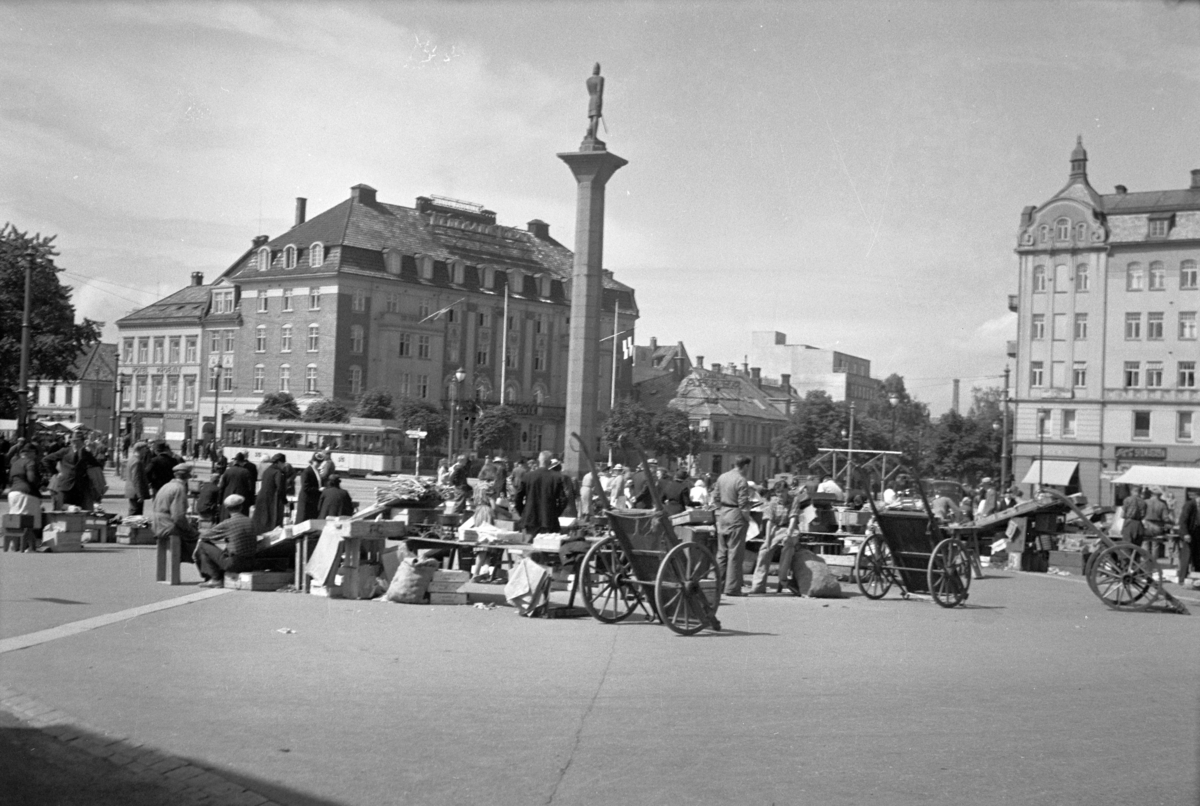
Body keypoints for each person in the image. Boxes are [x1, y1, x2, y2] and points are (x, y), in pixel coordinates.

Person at [194, 494, 257, 588]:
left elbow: (204, 536)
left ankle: (216, 579)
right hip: (251, 563)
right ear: (241, 507)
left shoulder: (228, 523)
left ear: (227, 508)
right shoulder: (250, 521)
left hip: (234, 563)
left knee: (203, 544)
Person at [713, 455, 753, 596]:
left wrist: (724, 509)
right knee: (735, 554)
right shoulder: (741, 480)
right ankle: (732, 588)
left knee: (721, 554)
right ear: (745, 466)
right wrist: (748, 519)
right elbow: (743, 505)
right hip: (736, 517)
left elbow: (715, 499)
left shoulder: (722, 477)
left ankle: (718, 585)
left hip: (723, 516)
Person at [151, 462, 199, 569]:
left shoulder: (166, 486)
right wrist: (191, 530)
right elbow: (178, 517)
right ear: (188, 476)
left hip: (157, 524)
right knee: (197, 538)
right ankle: (208, 570)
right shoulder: (179, 489)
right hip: (168, 526)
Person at [512, 450, 571, 538]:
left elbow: (518, 498)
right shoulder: (556, 478)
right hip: (549, 520)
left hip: (529, 519)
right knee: (547, 545)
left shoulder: (527, 476)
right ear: (550, 462)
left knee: (529, 544)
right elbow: (563, 500)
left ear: (538, 461)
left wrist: (523, 513)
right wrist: (555, 513)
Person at [750, 487, 794, 594]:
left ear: (787, 491)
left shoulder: (793, 502)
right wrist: (767, 540)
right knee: (764, 551)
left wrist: (788, 534)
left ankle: (783, 579)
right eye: (778, 492)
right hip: (776, 528)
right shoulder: (773, 503)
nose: (780, 495)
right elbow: (769, 522)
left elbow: (793, 519)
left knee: (788, 547)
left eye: (782, 492)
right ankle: (758, 586)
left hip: (790, 528)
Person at [44, 430, 102, 510]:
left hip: (79, 488)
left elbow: (97, 465)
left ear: (81, 442)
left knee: (77, 511)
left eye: (77, 441)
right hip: (65, 485)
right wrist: (55, 473)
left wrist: (89, 473)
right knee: (62, 509)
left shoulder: (86, 453)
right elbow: (46, 459)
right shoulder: (65, 451)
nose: (74, 443)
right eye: (73, 441)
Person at [7, 442, 44, 549]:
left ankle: (15, 544)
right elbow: (32, 478)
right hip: (26, 494)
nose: (35, 456)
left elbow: (10, 480)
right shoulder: (30, 462)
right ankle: (29, 546)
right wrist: (40, 484)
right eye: (35, 453)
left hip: (13, 494)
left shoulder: (15, 463)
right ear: (30, 453)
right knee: (30, 522)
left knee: (16, 520)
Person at [251, 454, 289, 535]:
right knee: (272, 522)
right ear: (278, 462)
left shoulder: (267, 470)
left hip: (261, 498)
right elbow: (280, 488)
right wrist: (284, 500)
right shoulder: (278, 472)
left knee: (261, 521)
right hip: (272, 500)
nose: (284, 465)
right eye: (283, 463)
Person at [218, 453, 257, 522]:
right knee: (240, 519)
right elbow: (251, 488)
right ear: (243, 462)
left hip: (228, 497)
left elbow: (222, 487)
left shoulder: (228, 471)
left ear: (235, 461)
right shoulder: (246, 472)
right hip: (241, 500)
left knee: (227, 518)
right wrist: (251, 501)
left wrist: (220, 501)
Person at [1177, 488, 1199, 585]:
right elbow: (1183, 520)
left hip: (1197, 533)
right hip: (1189, 533)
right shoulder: (1189, 505)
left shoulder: (1196, 506)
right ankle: (1182, 578)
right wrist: (1185, 533)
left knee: (1197, 556)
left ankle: (1197, 577)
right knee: (1186, 555)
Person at [1144, 486, 1173, 560]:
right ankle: (1154, 562)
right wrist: (1171, 521)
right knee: (1155, 544)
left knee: (1145, 543)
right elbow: (1165, 518)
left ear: (1151, 494)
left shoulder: (1145, 502)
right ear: (1160, 495)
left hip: (1146, 525)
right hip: (1157, 526)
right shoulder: (1162, 504)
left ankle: (1146, 561)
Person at [123, 441, 151, 516]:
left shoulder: (132, 459)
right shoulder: (137, 462)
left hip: (132, 491)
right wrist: (140, 495)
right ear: (141, 449)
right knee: (135, 514)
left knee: (134, 512)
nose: (146, 451)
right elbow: (136, 479)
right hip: (135, 493)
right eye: (145, 449)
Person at [294, 452, 323, 524]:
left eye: (320, 462)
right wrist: (318, 490)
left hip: (313, 500)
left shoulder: (316, 471)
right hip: (307, 500)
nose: (319, 464)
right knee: (303, 520)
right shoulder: (307, 471)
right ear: (312, 461)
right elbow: (305, 487)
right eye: (317, 462)